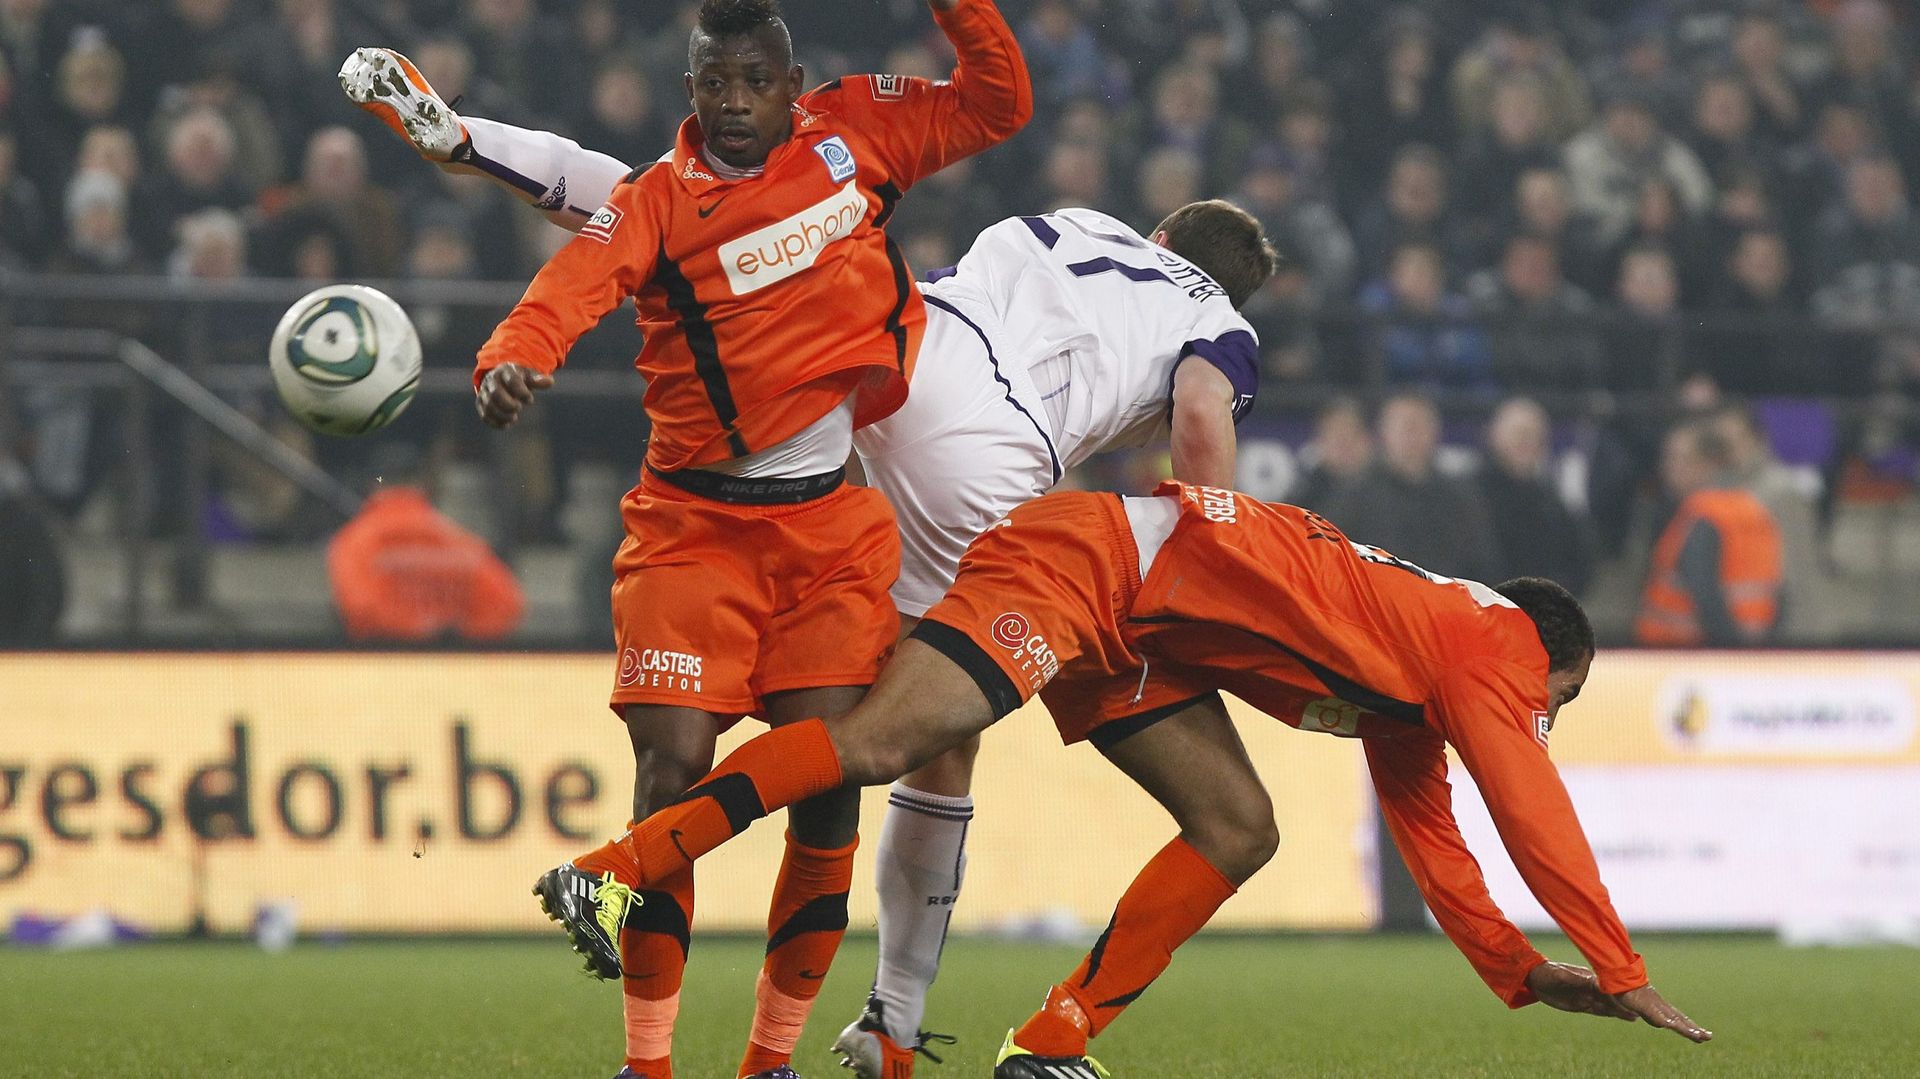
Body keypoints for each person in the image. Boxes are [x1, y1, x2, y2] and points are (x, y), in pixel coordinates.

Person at [344, 35, 1271, 1079]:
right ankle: (870, 1008)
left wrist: (470, 149)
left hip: (905, 361)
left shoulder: (1083, 226)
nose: (736, 100)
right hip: (974, 447)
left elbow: (634, 205)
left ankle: (828, 1026)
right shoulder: (1217, 317)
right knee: (906, 738)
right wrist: (1213, 558)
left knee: (698, 215)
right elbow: (1198, 407)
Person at [548, 482, 1713, 1078]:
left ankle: (1052, 1038)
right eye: (1555, 702)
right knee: (879, 745)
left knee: (1238, 823)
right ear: (1548, 659)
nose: (1535, 720)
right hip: (1089, 561)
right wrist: (1620, 962)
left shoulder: (1417, 686)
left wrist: (1518, 972)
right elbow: (1526, 803)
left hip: (1142, 627)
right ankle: (617, 867)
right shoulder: (1493, 645)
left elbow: (1442, 841)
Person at [326, 470, 525, 643]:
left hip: (385, 666)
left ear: (373, 487)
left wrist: (414, 630)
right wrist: (454, 635)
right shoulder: (456, 538)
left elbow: (360, 610)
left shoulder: (353, 541)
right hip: (458, 669)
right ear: (424, 485)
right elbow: (506, 605)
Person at [1635, 420, 1783, 647]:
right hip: (1754, 644)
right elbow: (1780, 591)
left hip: (1683, 652)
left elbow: (1704, 593)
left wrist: (1730, 651)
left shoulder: (1704, 516)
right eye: (1668, 458)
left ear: (1709, 465)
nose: (1670, 468)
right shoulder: (1753, 509)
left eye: (1683, 460)